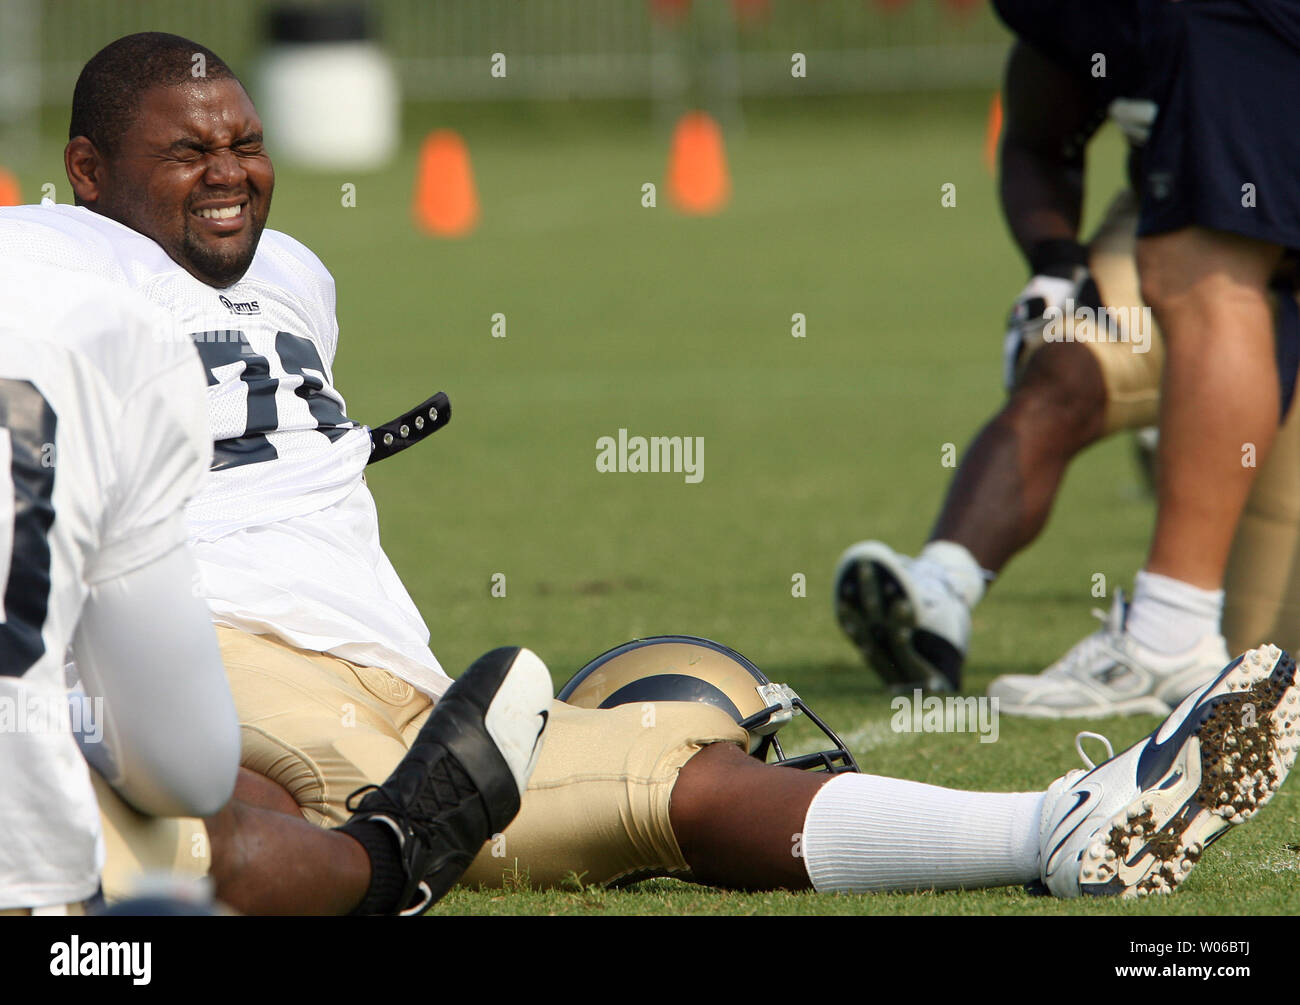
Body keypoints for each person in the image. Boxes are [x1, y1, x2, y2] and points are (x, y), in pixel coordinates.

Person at [14, 31, 1295, 907]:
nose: (232, 171)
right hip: (215, 637)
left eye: (242, 139)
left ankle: (1058, 831)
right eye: (188, 151)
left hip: (383, 656)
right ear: (86, 174)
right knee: (260, 817)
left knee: (660, 775)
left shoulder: (296, 273)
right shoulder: (44, 254)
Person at [835, 3, 1300, 720]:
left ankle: (1171, 628)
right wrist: (1052, 269)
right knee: (1070, 361)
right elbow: (1038, 137)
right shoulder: (1088, 23)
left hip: (1238, 259)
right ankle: (944, 586)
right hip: (1186, 232)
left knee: (1268, 654)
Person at [0, 260, 238, 914]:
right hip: (32, 874)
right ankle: (396, 846)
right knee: (174, 869)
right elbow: (193, 771)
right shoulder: (107, 330)